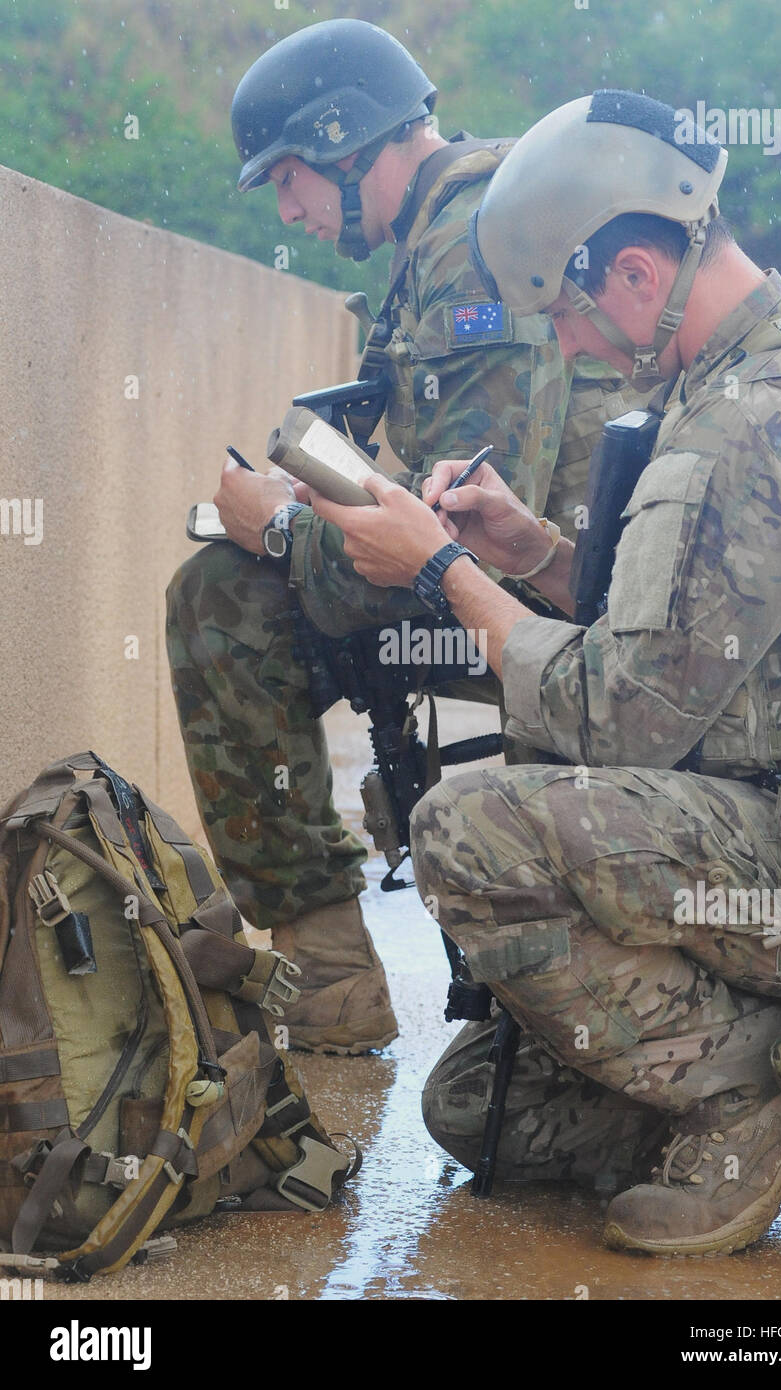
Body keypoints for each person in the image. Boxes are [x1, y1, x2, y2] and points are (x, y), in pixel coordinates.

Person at [305, 89, 781, 1254]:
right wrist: (533, 556)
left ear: (632, 272)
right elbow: (709, 639)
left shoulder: (747, 422)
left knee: (468, 828)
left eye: (559, 312)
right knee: (485, 1112)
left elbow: (620, 715)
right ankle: (756, 1065)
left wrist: (443, 570)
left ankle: (775, 1095)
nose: (562, 346)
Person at [165, 23, 630, 1056]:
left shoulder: (472, 240)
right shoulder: (442, 225)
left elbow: (446, 539)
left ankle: (340, 976)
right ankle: (329, 981)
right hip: (541, 590)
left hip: (564, 612)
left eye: (286, 178)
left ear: (343, 146)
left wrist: (282, 527)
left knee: (219, 597)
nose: (284, 208)